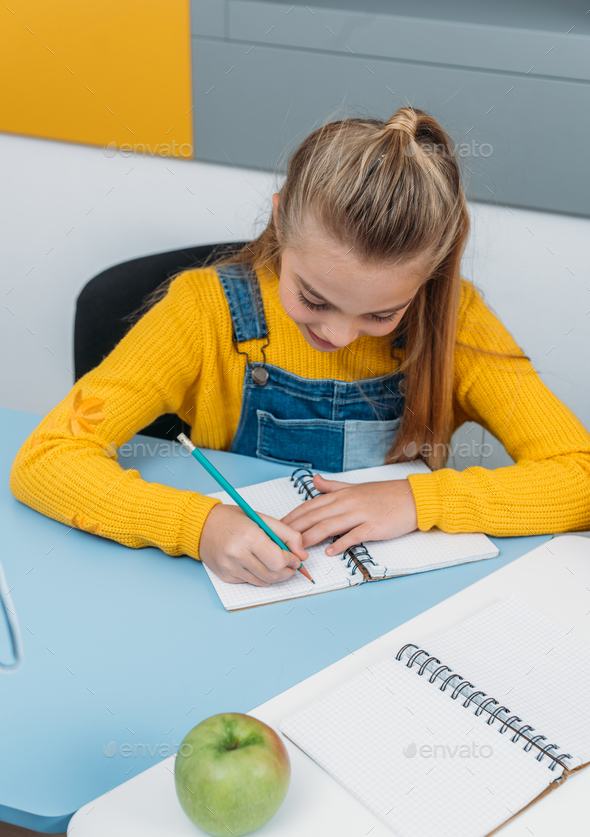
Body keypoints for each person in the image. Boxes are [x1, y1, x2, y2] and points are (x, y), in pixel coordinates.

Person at [10, 107, 590, 589]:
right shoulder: (202, 312)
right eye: (314, 299)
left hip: (393, 600)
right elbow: (46, 458)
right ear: (281, 216)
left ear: (428, 277)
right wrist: (199, 524)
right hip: (241, 590)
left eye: (381, 314)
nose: (338, 336)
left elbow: (580, 475)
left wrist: (418, 501)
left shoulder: (456, 318)